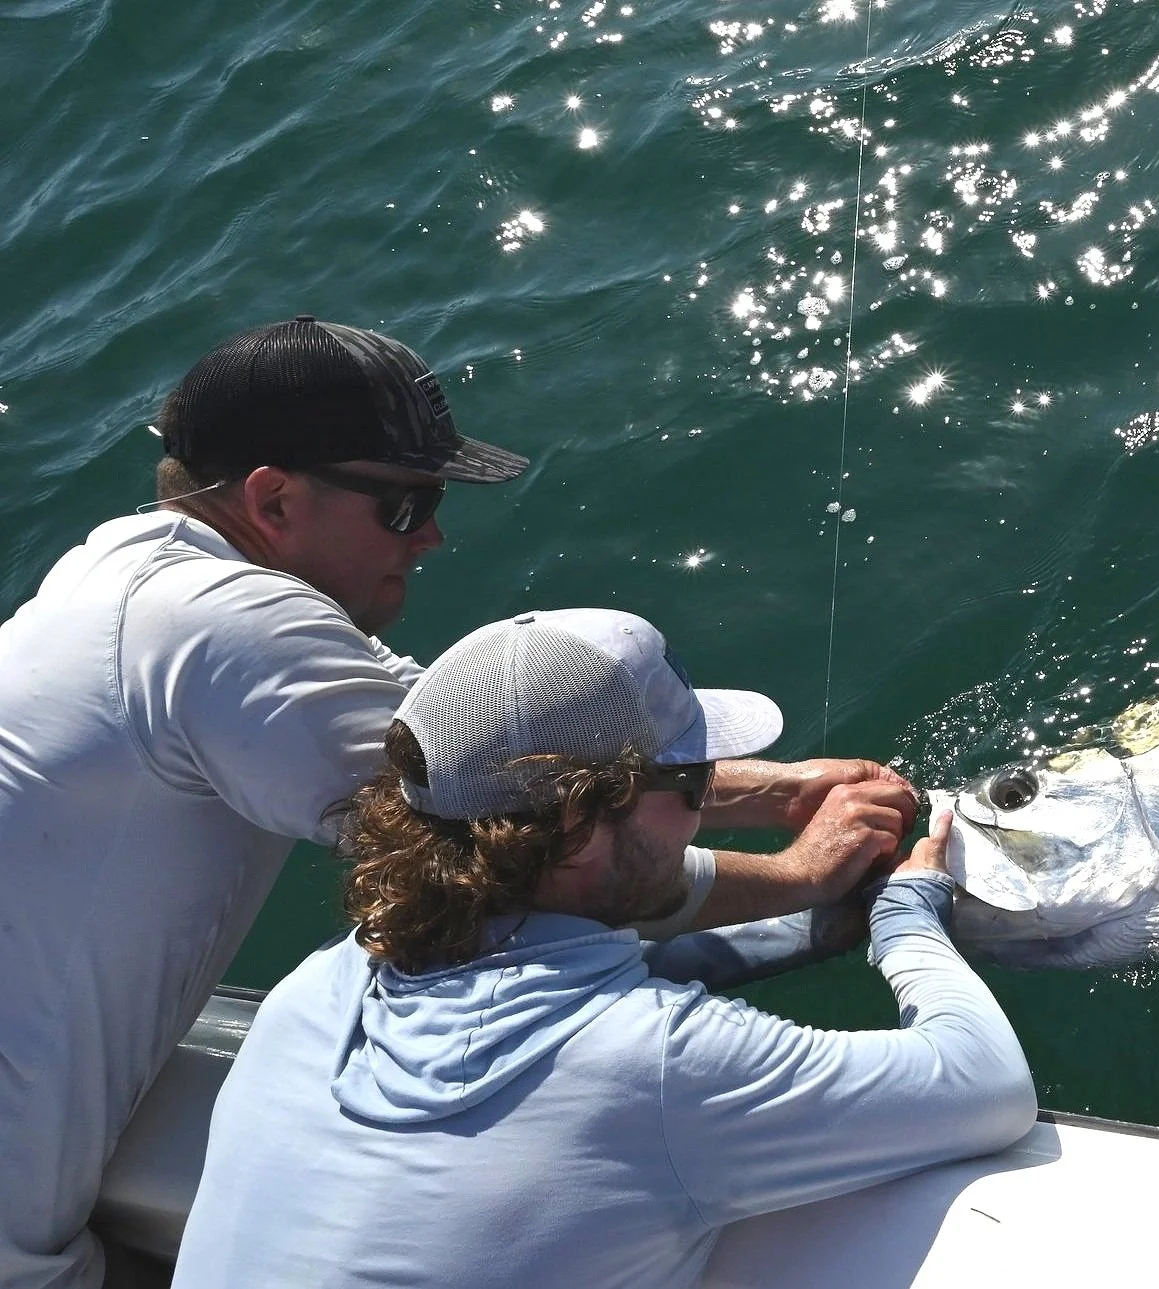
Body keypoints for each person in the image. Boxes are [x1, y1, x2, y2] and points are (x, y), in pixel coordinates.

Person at [0, 318, 911, 1289]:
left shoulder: (126, 574)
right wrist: (800, 876)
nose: (431, 533)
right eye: (405, 503)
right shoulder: (227, 633)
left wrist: (782, 787)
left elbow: (483, 748)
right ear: (272, 497)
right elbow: (516, 836)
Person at [173, 609, 1036, 1287]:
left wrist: (815, 911)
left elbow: (567, 982)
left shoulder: (325, 984)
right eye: (693, 781)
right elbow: (985, 1082)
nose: (703, 805)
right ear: (581, 829)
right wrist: (908, 912)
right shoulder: (659, 1065)